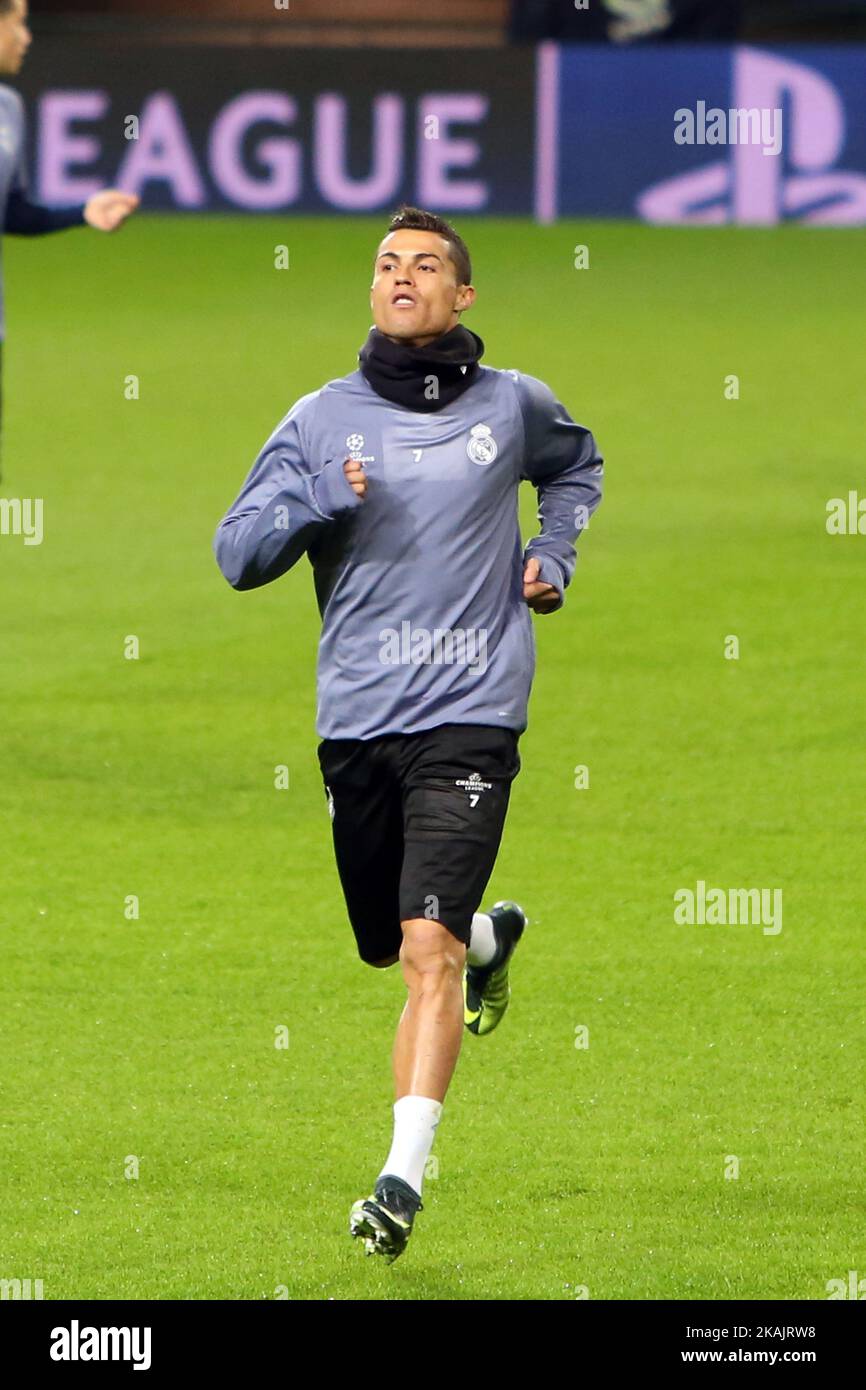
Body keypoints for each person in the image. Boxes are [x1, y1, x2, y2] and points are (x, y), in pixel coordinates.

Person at [213, 205, 603, 1262]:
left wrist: (554, 554)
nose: (401, 275)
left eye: (425, 264)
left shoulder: (514, 404)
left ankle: (399, 1178)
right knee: (393, 939)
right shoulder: (318, 419)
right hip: (358, 721)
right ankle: (491, 936)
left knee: (420, 952)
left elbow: (574, 467)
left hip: (472, 710)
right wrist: (307, 500)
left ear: (460, 296)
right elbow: (235, 554)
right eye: (387, 262)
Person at [0, 0, 139, 477]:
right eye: (18, 23)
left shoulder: (9, 109)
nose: (26, 37)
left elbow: (12, 212)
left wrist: (81, 212)